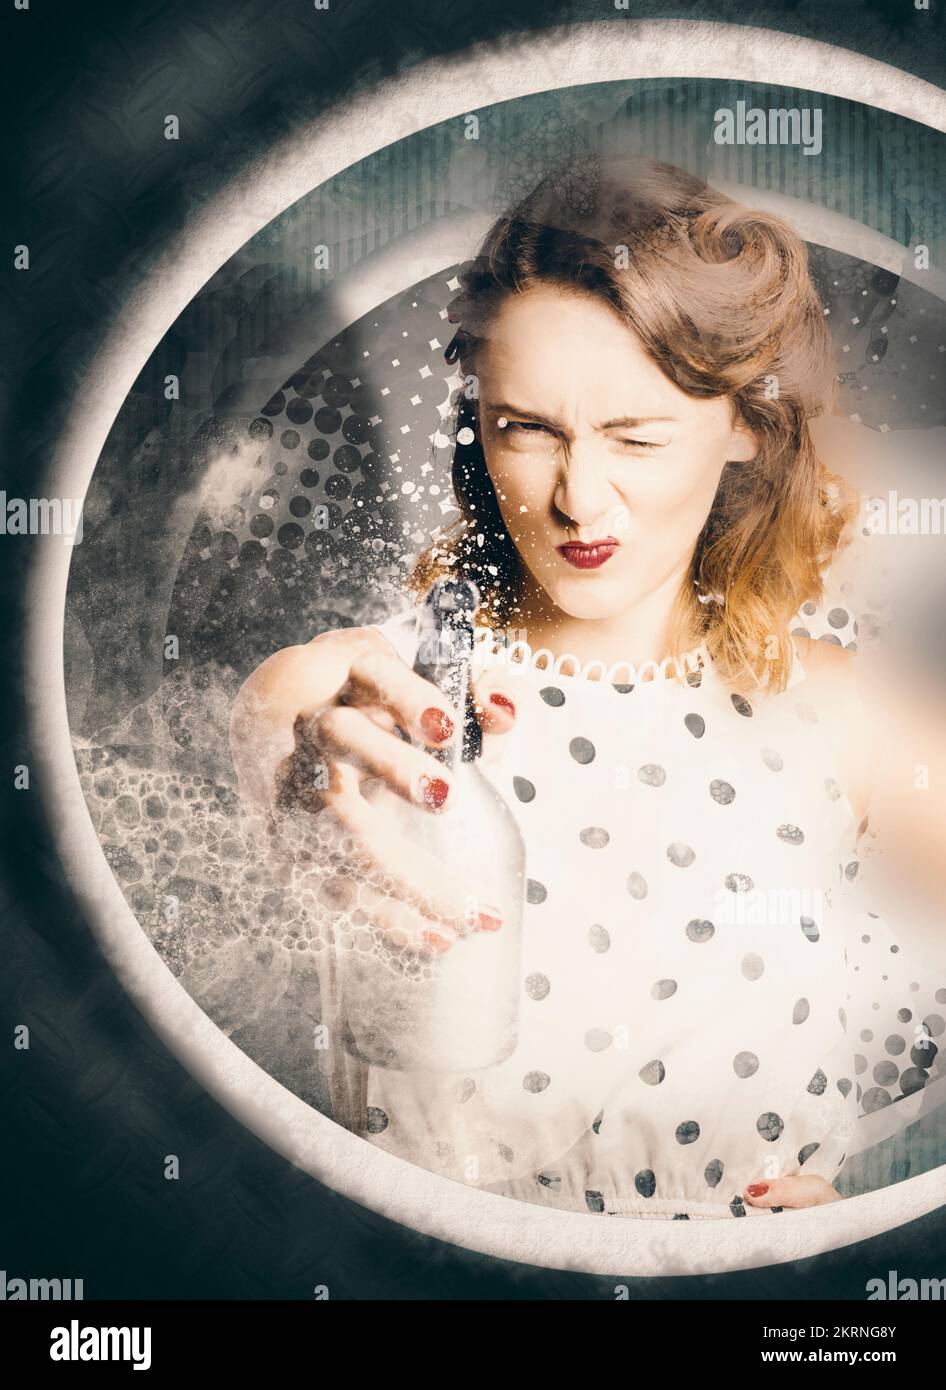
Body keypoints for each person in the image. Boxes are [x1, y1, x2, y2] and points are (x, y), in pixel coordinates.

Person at [229, 155, 943, 1219]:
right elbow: (263, 789)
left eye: (635, 436)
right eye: (530, 428)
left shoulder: (850, 722)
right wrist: (294, 769)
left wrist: (869, 1206)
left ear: (745, 421)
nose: (578, 497)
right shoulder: (357, 694)